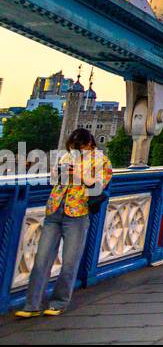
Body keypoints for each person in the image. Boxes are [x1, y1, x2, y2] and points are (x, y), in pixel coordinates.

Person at [15, 129, 112, 318]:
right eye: (73, 147)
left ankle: (59, 302)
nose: (76, 150)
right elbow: (54, 180)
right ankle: (31, 305)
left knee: (69, 261)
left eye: (80, 147)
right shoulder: (66, 157)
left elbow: (100, 185)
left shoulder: (102, 161)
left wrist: (79, 174)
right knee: (41, 259)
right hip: (55, 210)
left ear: (90, 144)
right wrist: (60, 173)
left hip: (77, 213)